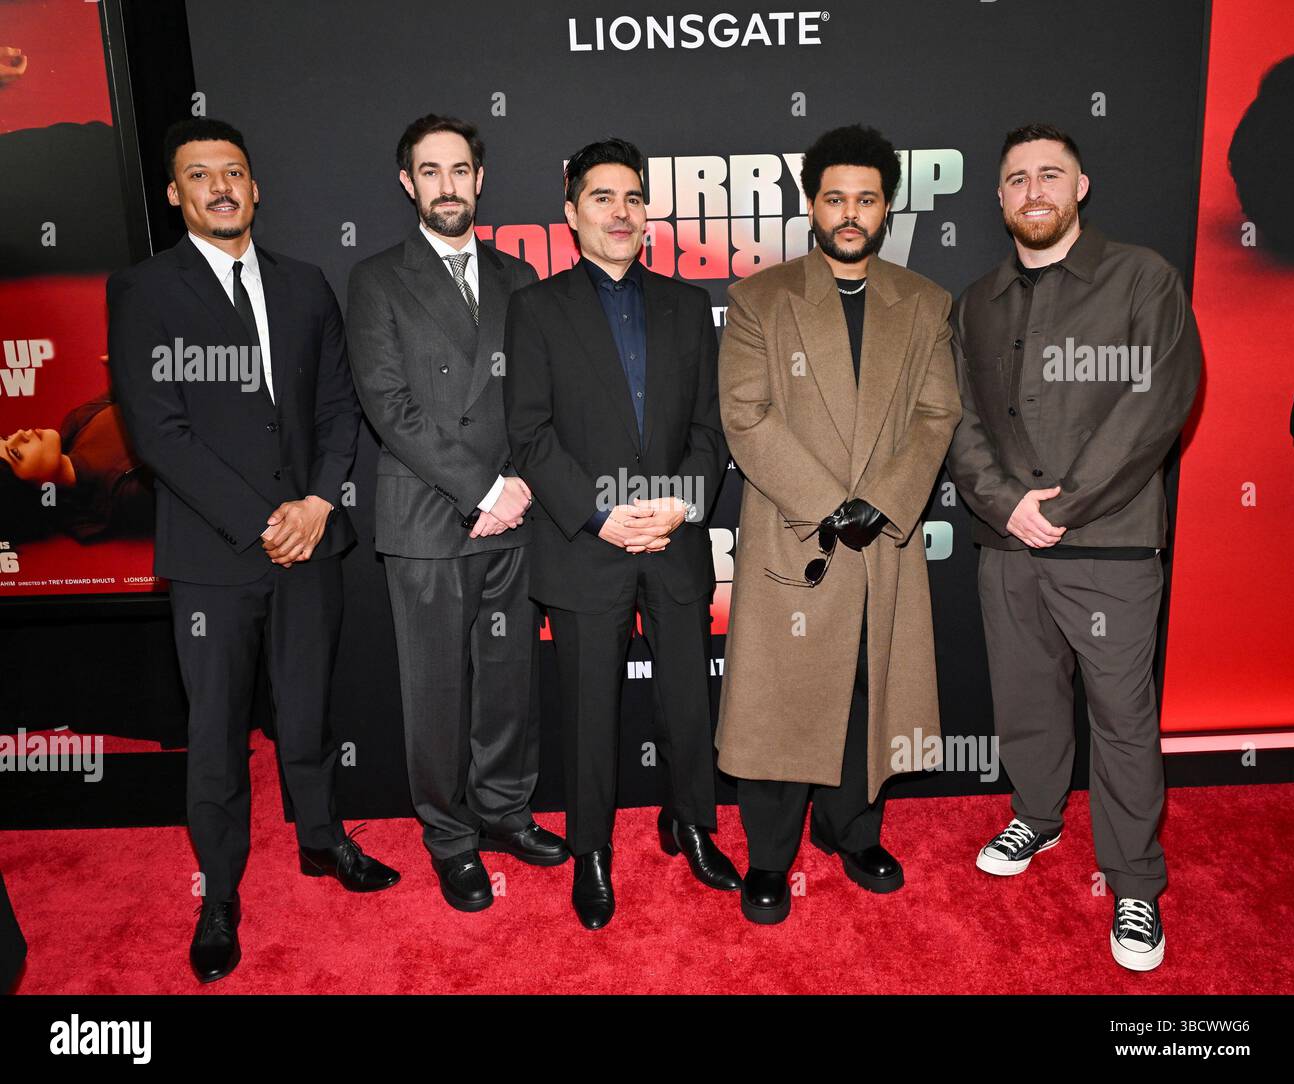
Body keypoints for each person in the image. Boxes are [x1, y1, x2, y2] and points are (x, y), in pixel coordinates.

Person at [109, 117, 398, 985]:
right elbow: (159, 431)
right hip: (215, 554)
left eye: (234, 172)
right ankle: (221, 893)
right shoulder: (145, 291)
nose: (221, 187)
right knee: (217, 733)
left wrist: (313, 505)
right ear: (176, 194)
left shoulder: (305, 285)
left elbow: (341, 408)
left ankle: (320, 842)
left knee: (307, 712)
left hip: (312, 541)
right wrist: (264, 518)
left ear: (256, 186)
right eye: (201, 175)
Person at [945, 123, 1202, 972]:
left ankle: (1133, 884)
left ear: (1081, 187)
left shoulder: (1142, 278)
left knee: (1123, 720)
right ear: (1000, 197)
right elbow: (960, 422)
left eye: (1050, 175)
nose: (1034, 191)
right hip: (1008, 543)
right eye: (1016, 179)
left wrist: (1067, 505)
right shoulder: (976, 300)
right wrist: (1006, 504)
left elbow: (1157, 400)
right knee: (1025, 700)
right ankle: (1039, 814)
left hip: (1110, 543)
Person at [714, 124, 961, 925]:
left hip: (881, 541)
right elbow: (746, 418)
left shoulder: (924, 302)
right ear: (809, 203)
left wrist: (880, 504)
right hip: (798, 537)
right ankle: (770, 857)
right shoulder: (761, 298)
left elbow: (936, 413)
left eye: (866, 198)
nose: (849, 214)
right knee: (780, 699)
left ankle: (853, 832)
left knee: (867, 691)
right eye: (834, 198)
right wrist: (829, 505)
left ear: (887, 206)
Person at [503, 137, 739, 930]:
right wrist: (603, 514)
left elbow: (711, 428)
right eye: (602, 197)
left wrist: (676, 502)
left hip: (673, 538)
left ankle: (693, 825)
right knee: (588, 710)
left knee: (687, 701)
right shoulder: (536, 308)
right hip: (583, 545)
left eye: (633, 197)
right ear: (572, 215)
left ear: (647, 213)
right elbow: (530, 435)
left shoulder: (686, 305)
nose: (621, 211)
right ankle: (592, 854)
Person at [347, 114, 566, 913]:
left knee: (508, 680)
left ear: (481, 180)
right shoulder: (377, 279)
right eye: (430, 171)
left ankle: (505, 811)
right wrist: (484, 490)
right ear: (409, 185)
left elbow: (538, 397)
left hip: (513, 515)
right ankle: (449, 835)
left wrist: (521, 487)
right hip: (433, 518)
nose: (448, 185)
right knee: (436, 691)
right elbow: (389, 406)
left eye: (461, 169)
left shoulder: (517, 278)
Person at [1, 396, 154, 543]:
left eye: (6, 438)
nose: (19, 433)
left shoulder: (76, 422)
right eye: (16, 453)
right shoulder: (121, 494)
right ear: (27, 492)